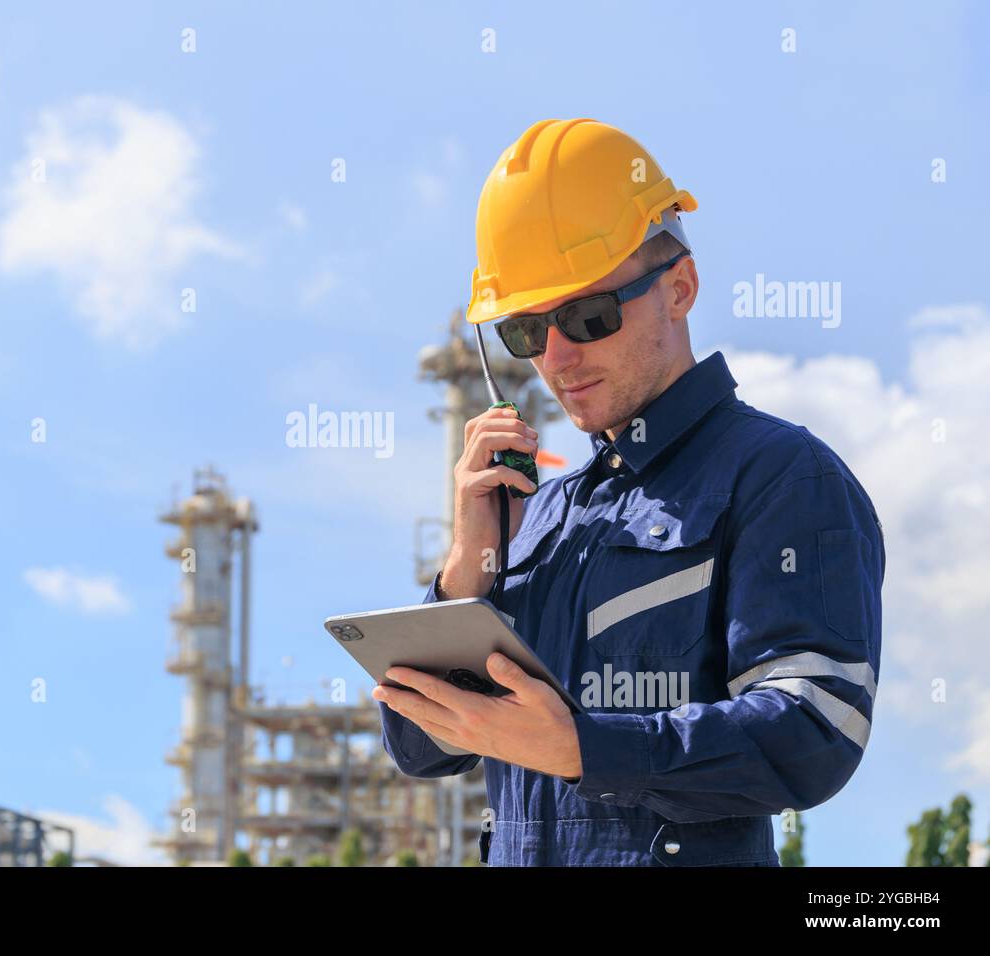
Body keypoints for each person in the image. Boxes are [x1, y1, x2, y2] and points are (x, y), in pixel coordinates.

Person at [373, 118, 884, 867]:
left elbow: (814, 730)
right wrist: (469, 566)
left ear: (679, 288)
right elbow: (421, 746)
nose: (556, 357)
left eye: (588, 316)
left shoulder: (780, 476)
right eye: (527, 330)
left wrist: (584, 748)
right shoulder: (537, 518)